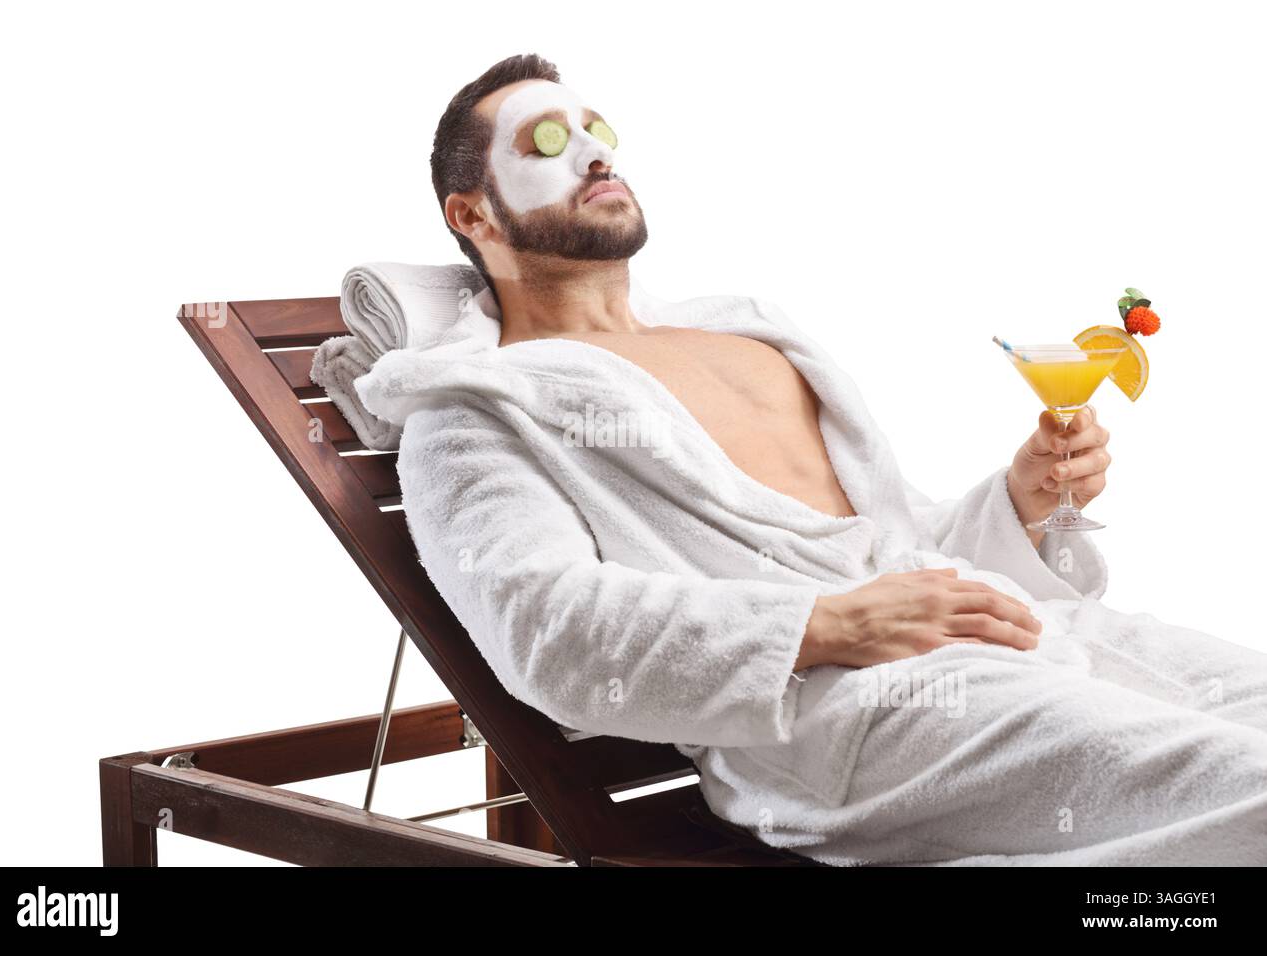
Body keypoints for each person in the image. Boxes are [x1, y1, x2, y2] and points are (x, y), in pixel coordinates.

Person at [359, 53, 1267, 865]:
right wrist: (825, 628)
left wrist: (1021, 505)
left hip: (1037, 645)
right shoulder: (475, 412)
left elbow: (904, 552)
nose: (595, 154)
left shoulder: (750, 336)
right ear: (472, 212)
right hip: (848, 720)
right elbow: (550, 632)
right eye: (548, 140)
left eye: (599, 131)